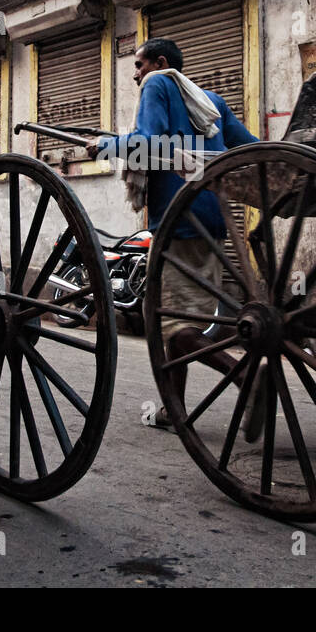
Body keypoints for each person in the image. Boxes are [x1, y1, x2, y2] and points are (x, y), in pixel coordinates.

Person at [86, 38, 259, 431]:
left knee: (175, 329)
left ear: (161, 63)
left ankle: (245, 376)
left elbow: (146, 145)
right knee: (176, 318)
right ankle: (173, 408)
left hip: (179, 223)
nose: (136, 74)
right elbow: (250, 148)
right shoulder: (209, 99)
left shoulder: (159, 84)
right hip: (215, 220)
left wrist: (104, 146)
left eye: (139, 64)